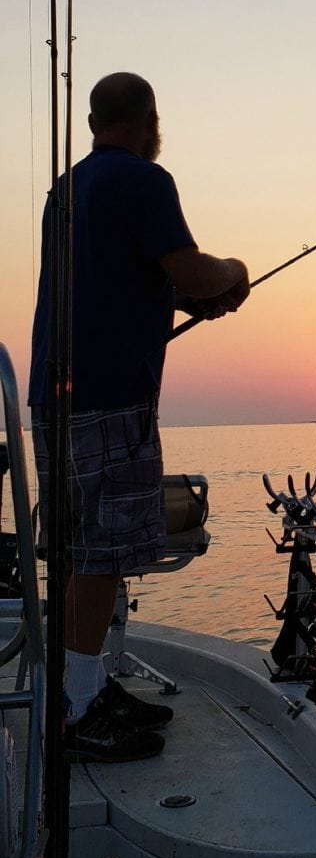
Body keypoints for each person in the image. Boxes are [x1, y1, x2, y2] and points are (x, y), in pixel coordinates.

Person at [29, 72, 250, 763]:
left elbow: (127, 280)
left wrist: (186, 300)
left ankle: (85, 687)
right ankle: (75, 714)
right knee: (101, 560)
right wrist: (233, 273)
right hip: (111, 398)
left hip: (53, 398)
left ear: (95, 120)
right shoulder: (145, 181)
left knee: (81, 553)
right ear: (150, 120)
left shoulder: (67, 190)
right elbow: (193, 271)